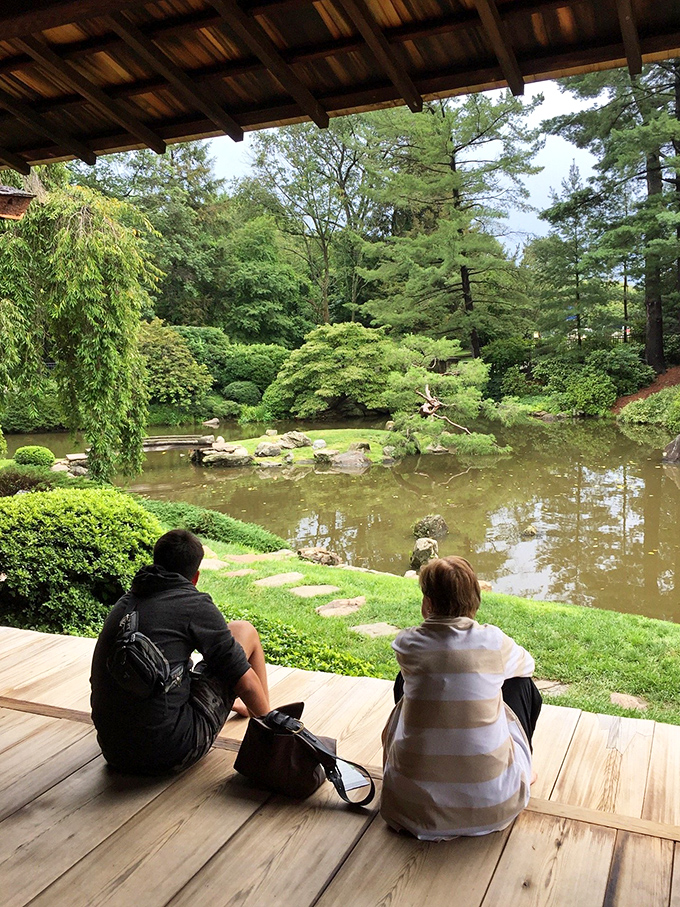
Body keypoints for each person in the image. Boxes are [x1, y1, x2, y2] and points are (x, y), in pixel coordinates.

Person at [381, 555, 542, 841]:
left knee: (406, 682)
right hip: (494, 805)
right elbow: (526, 666)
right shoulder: (493, 641)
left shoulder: (408, 644)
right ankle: (521, 772)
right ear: (475, 599)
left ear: (427, 603)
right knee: (521, 685)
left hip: (412, 810)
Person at [91, 528, 270, 774]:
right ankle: (267, 721)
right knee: (244, 631)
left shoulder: (125, 602)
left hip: (115, 751)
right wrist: (280, 740)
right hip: (171, 752)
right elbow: (247, 684)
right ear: (194, 577)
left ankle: (252, 710)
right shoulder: (193, 604)